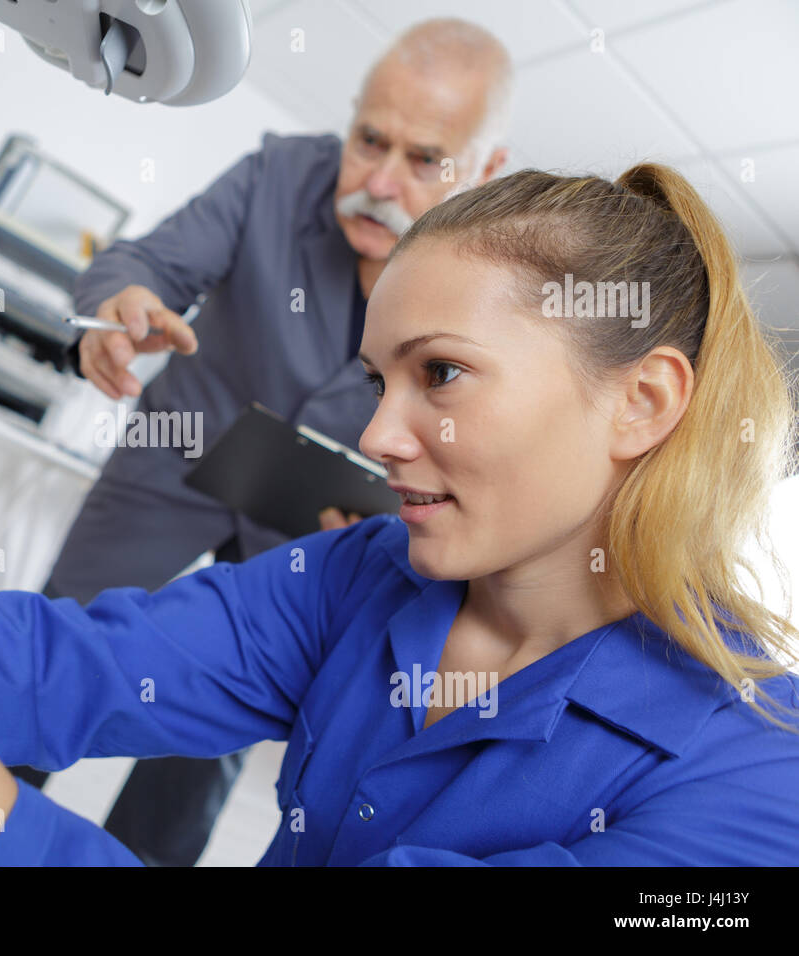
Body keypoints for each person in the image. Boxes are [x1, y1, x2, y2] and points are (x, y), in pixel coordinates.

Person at [0, 160, 799, 865]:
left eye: (443, 373)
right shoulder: (368, 574)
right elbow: (83, 663)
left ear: (640, 402)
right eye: (379, 380)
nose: (374, 435)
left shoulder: (756, 780)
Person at [26, 17, 513, 865]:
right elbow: (144, 263)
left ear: (483, 171)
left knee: (204, 743)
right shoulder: (279, 172)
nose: (381, 181)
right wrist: (120, 307)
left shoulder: (494, 285)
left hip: (308, 530)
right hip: (175, 462)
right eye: (369, 142)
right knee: (52, 652)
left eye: (424, 160)